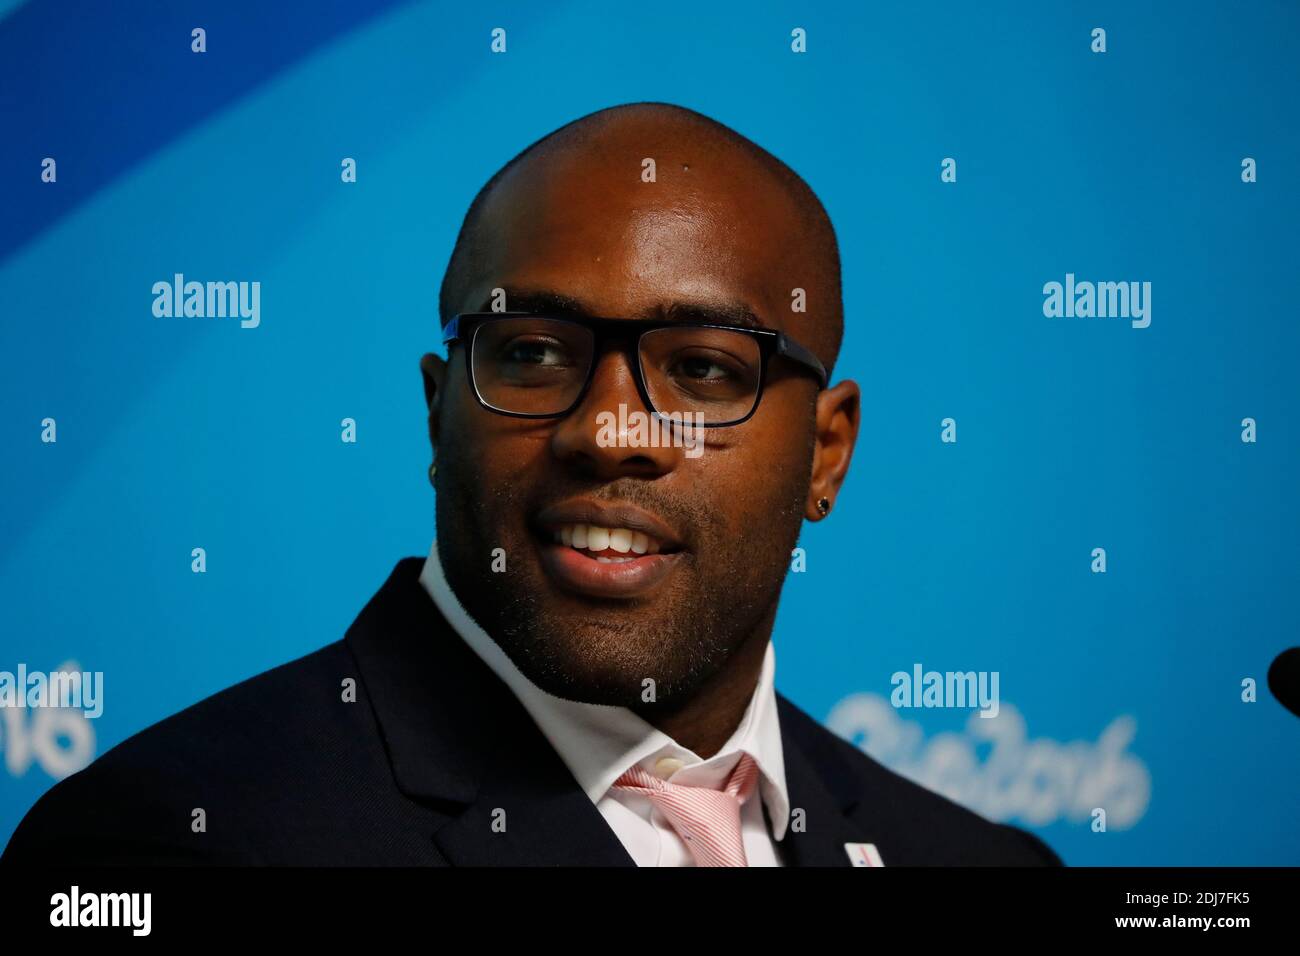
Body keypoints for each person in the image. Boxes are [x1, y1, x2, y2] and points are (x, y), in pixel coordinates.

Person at [2, 102, 1060, 866]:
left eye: (703, 368)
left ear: (826, 453)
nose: (607, 430)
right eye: (533, 354)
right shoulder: (168, 841)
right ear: (438, 413)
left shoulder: (973, 861)